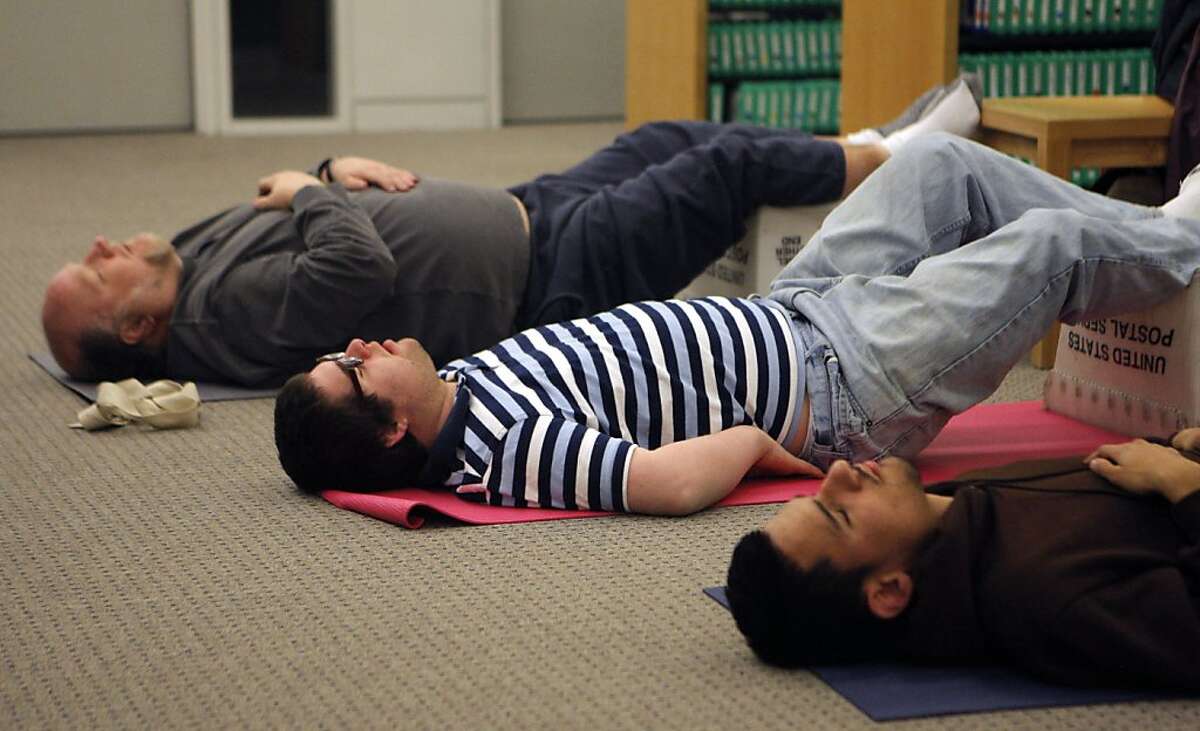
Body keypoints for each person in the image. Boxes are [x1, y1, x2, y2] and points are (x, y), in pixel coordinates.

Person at [272, 130, 1200, 513]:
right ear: (394, 426)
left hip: (795, 310)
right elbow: (662, 484)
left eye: (338, 353)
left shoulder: (462, 383)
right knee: (1048, 249)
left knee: (940, 166)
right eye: (353, 371)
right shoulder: (506, 448)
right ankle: (1187, 238)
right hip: (844, 383)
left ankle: (1163, 236)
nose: (357, 346)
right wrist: (763, 438)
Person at [39, 76, 981, 388]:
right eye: (97, 274)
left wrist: (319, 180)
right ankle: (910, 158)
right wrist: (313, 185)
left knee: (662, 137)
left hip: (525, 212)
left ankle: (867, 146)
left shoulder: (187, 268)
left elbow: (318, 220)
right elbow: (354, 264)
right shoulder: (219, 318)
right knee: (718, 173)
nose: (99, 247)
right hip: (547, 278)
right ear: (136, 331)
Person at [724, 428, 1200, 691]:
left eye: (817, 493)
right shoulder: (1043, 594)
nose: (842, 472)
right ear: (890, 589)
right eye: (840, 514)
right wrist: (1185, 485)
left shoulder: (954, 511)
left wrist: (1176, 447)